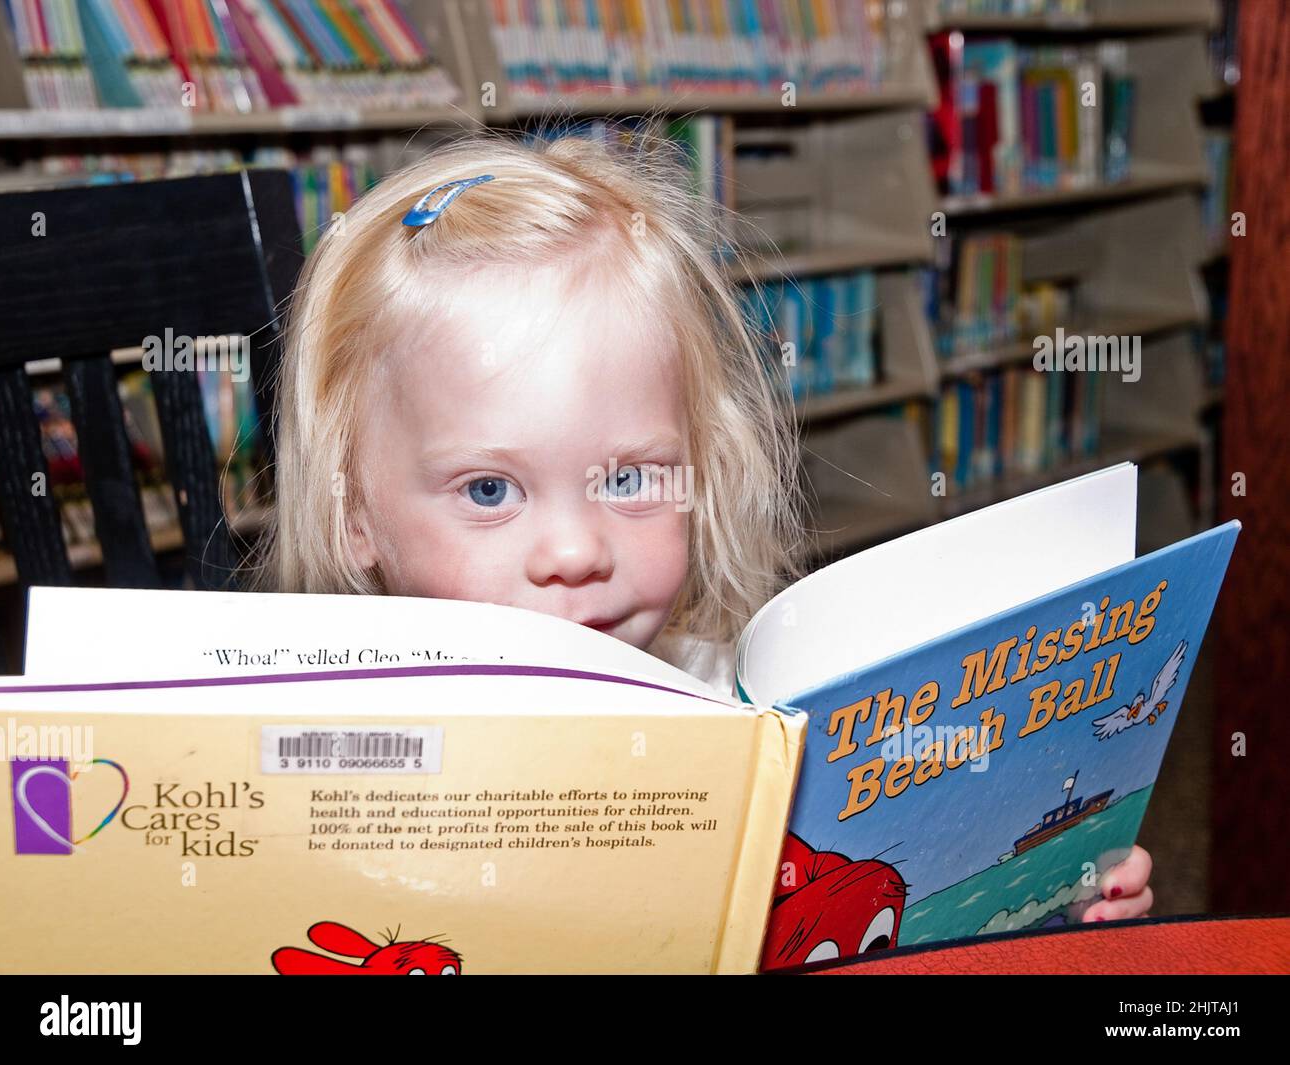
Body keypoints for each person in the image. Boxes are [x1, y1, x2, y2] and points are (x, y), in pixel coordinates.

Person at [254, 130, 1152, 923]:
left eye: (630, 476)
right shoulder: (316, 774)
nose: (575, 551)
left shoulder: (740, 711)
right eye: (489, 490)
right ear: (354, 515)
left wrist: (1056, 900)